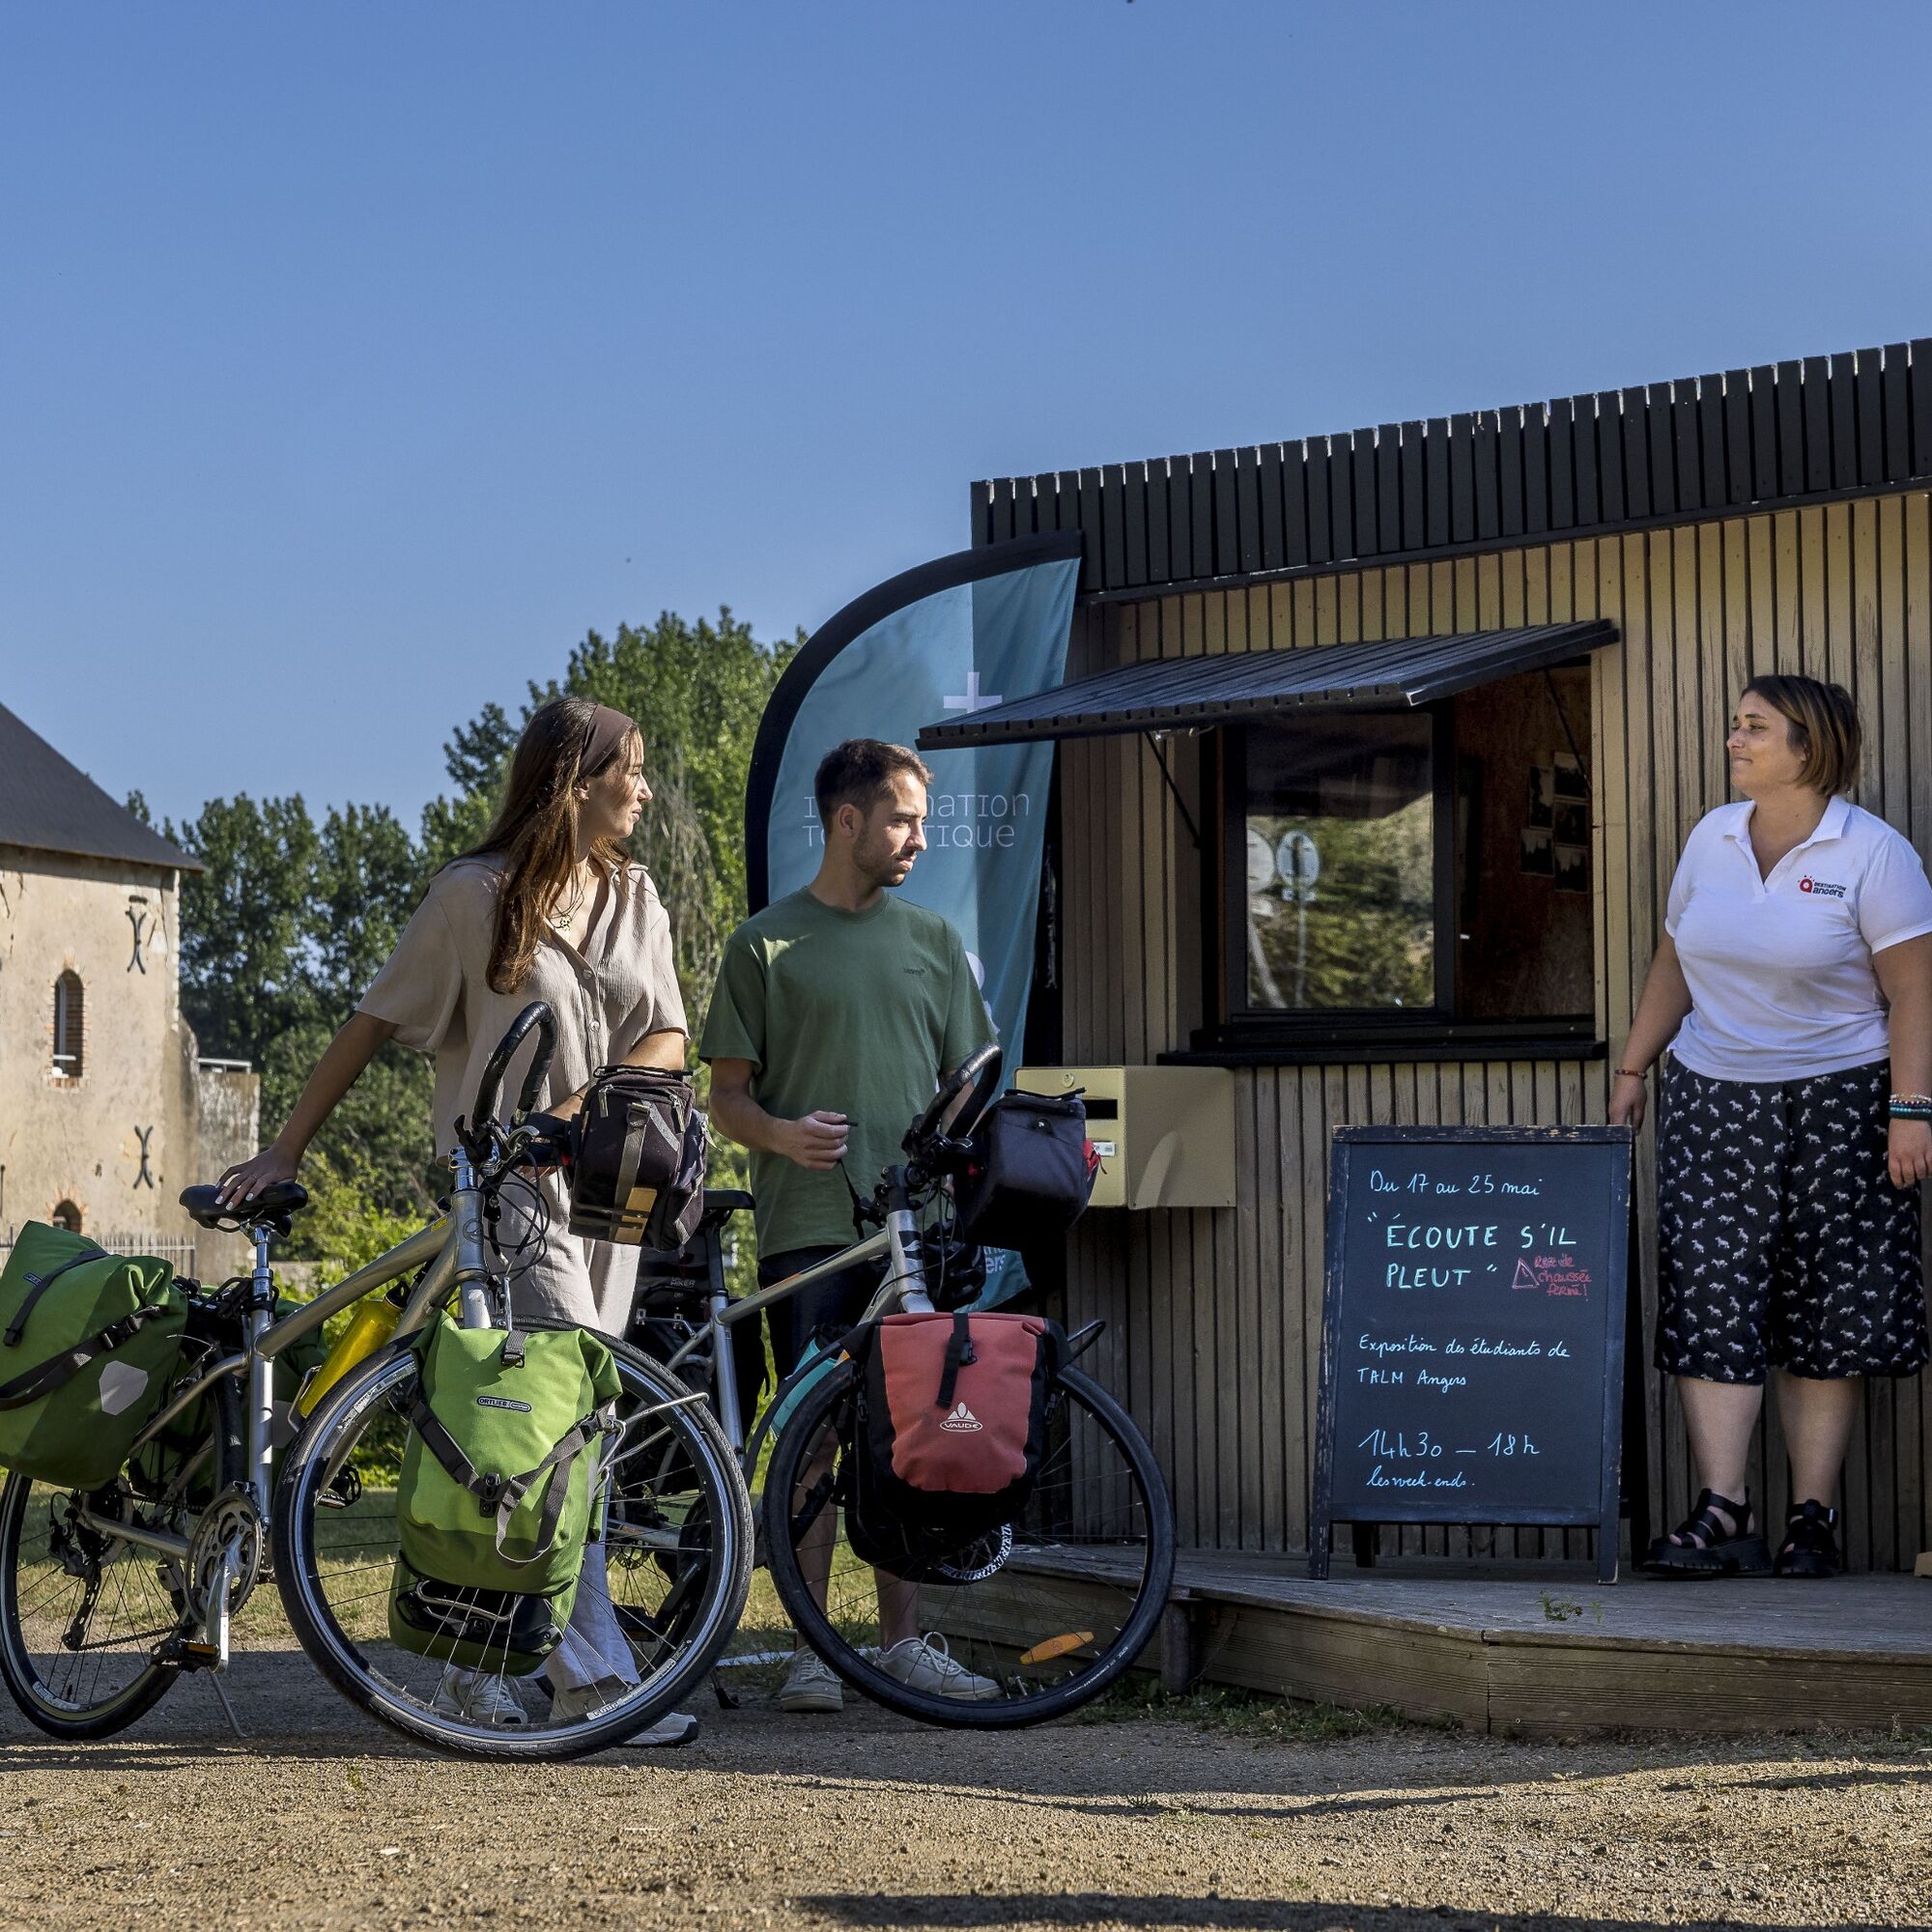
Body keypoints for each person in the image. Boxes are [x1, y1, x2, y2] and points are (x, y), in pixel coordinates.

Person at [215, 696, 698, 1741]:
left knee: (558, 1433)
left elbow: (666, 1034)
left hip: (610, 1192)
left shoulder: (635, 898)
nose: (645, 788)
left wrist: (578, 1106)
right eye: (634, 768)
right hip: (507, 1190)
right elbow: (371, 1018)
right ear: (576, 780)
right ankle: (596, 1685)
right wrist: (285, 1147)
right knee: (554, 1425)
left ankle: (484, 1655)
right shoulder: (471, 896)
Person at [1611, 675, 1932, 1579]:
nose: (1733, 739)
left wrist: (1911, 1110)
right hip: (1715, 1095)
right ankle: (1724, 1512)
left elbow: (1915, 988)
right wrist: (1636, 1066)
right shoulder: (1711, 838)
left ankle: (1812, 1519)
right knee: (1711, 1291)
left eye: (1753, 727)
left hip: (1845, 1096)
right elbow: (1676, 956)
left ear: (1809, 746)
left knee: (1826, 1302)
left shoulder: (1874, 852)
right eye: (1735, 723)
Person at [701, 738, 997, 1712]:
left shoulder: (930, 940)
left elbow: (971, 1090)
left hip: (920, 1235)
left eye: (920, 818)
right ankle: (812, 1648)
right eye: (905, 817)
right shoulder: (762, 945)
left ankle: (902, 1643)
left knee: (910, 1434)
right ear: (847, 821)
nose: (919, 834)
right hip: (812, 1229)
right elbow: (726, 1102)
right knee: (814, 1443)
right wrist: (783, 1135)